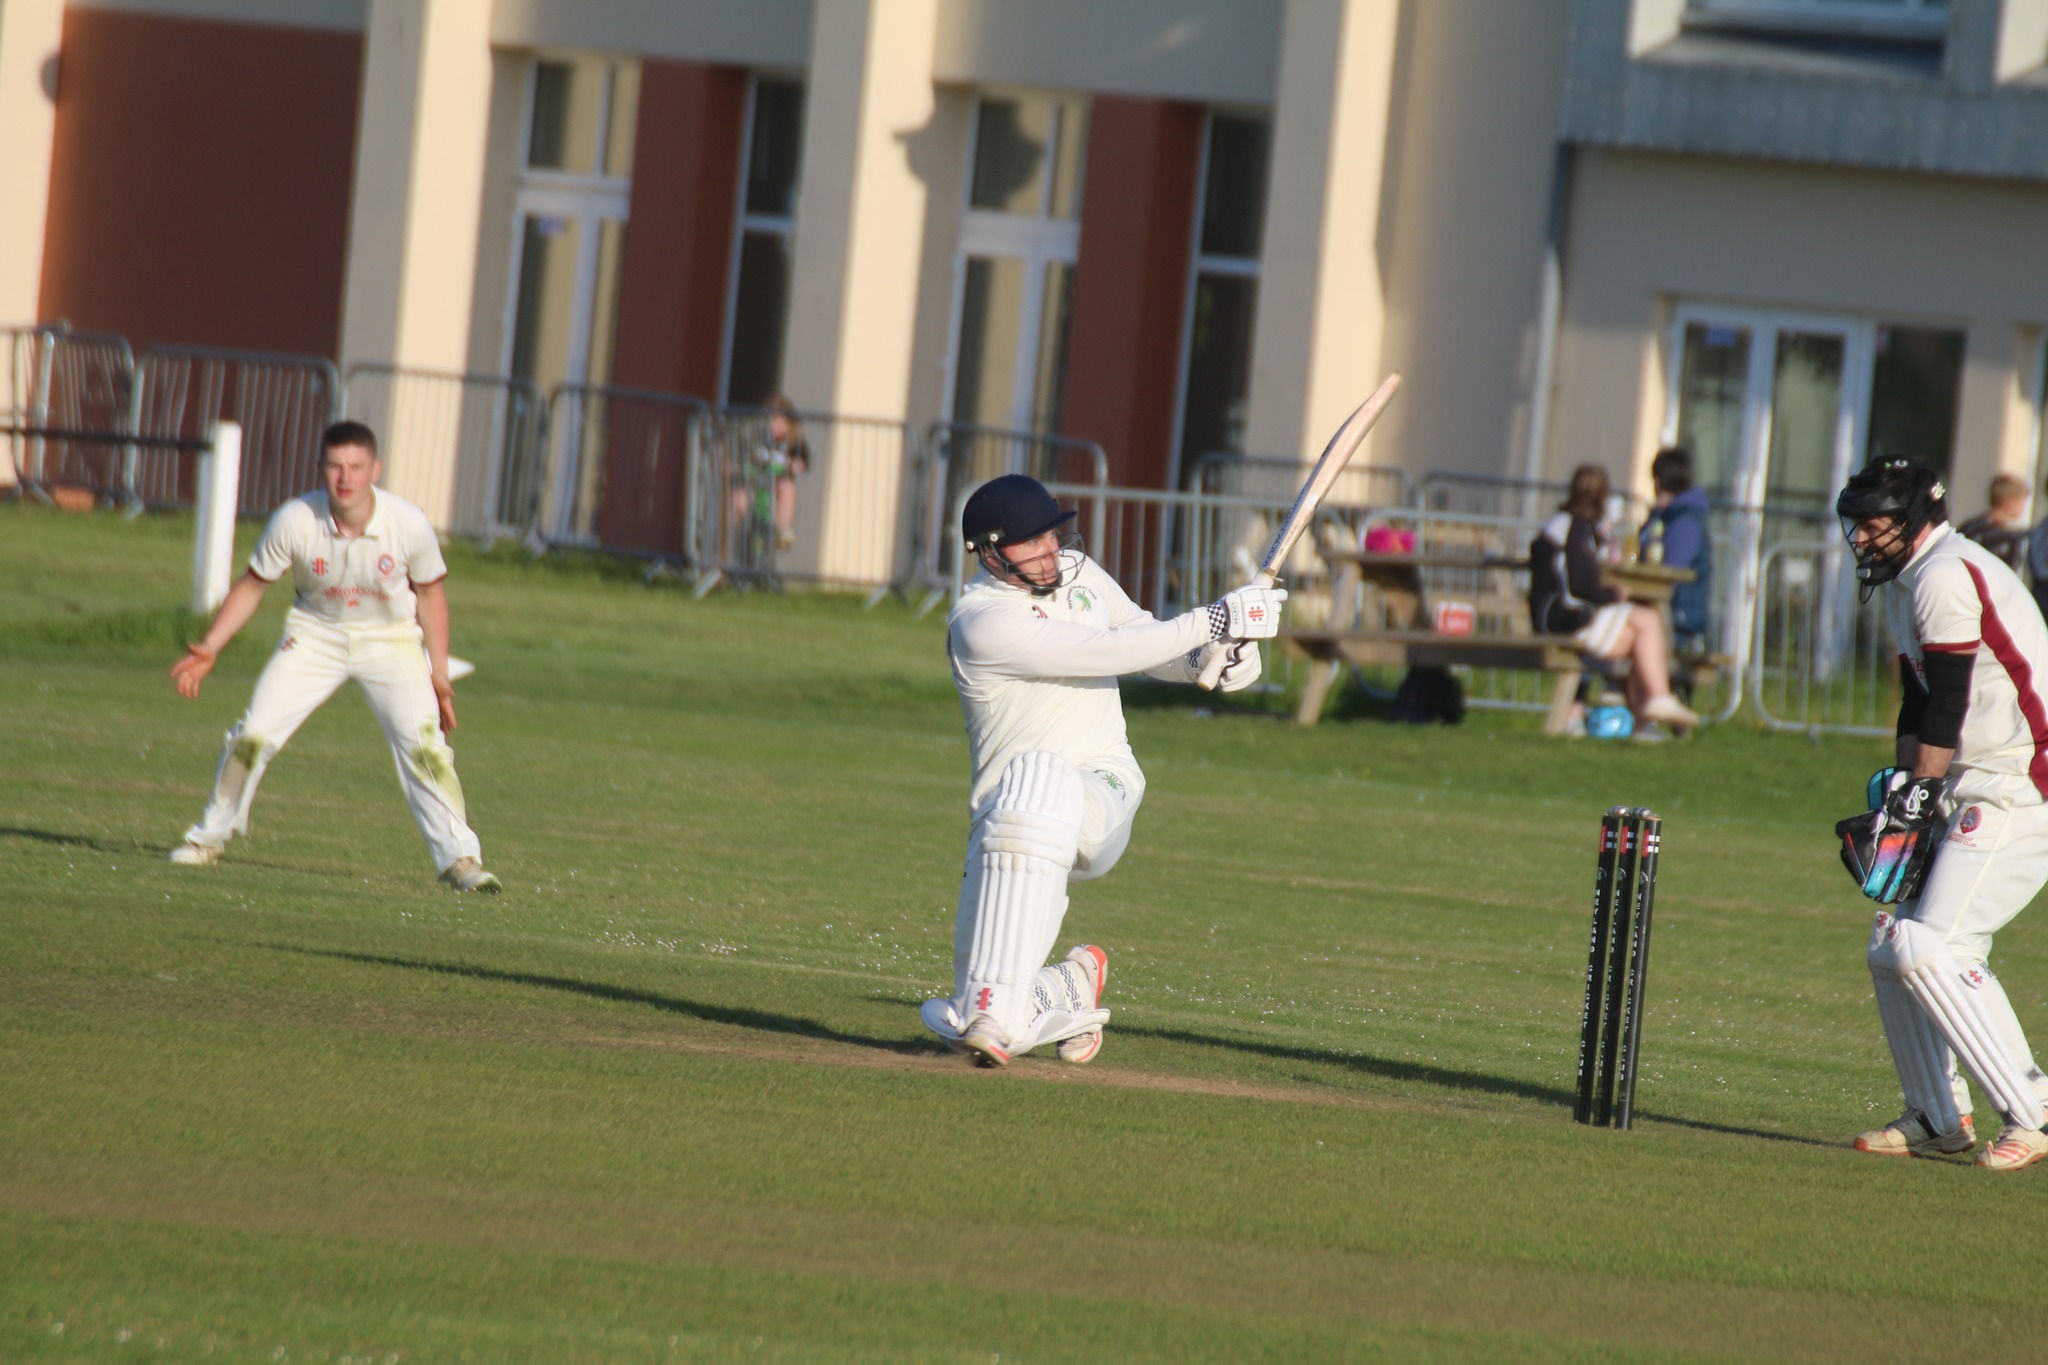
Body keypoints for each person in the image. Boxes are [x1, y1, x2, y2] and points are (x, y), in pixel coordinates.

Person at [920, 474, 1287, 1066]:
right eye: (1028, 544)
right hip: (1005, 831)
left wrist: (1206, 657)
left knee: (1042, 778)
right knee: (983, 1007)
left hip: (1101, 786)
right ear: (989, 554)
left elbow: (1139, 637)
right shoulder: (981, 622)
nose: (1048, 552)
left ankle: (997, 1011)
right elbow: (1101, 653)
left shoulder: (1078, 573)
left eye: (1050, 536)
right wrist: (1215, 620)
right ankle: (1068, 986)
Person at [166, 420, 500, 893]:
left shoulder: (407, 523)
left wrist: (438, 671)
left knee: (424, 745)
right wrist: (211, 646)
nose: (345, 478)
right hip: (315, 634)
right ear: (322, 469)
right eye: (335, 467)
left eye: (356, 467)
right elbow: (253, 585)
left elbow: (431, 597)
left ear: (374, 470)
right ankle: (208, 838)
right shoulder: (296, 519)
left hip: (392, 640)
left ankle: (461, 860)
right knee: (254, 734)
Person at [1836, 457, 2048, 1170]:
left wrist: (1921, 796)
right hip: (1974, 778)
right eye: (1857, 524)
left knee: (1936, 946)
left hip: (2022, 780)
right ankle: (1937, 1113)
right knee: (1891, 942)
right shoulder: (1911, 578)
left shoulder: (1946, 573)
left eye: (1875, 523)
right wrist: (1906, 791)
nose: (1862, 537)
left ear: (1914, 519)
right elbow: (1916, 701)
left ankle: (2036, 1109)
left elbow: (1951, 702)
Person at [1528, 464, 1699, 739]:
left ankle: (1646, 719)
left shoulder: (1566, 525)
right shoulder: (1576, 528)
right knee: (1646, 620)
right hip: (1566, 618)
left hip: (1556, 616)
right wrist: (1615, 595)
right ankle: (1654, 705)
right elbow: (1580, 583)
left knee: (1640, 637)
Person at [1638, 446, 1712, 653]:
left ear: (1659, 481)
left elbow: (1669, 574)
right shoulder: (1665, 517)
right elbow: (1637, 552)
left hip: (1679, 621)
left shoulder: (1685, 522)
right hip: (1665, 616)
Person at [729, 394, 811, 555]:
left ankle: (783, 530)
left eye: (779, 420)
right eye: (770, 419)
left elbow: (802, 462)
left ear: (789, 423)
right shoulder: (754, 438)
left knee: (787, 487)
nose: (773, 424)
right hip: (753, 484)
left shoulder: (793, 443)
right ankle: (728, 537)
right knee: (740, 498)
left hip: (775, 488)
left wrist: (793, 465)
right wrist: (741, 467)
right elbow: (734, 463)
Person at [1957, 472, 2029, 578]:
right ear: (2009, 504)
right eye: (2022, 502)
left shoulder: (1968, 528)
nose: (2024, 508)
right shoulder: (2012, 536)